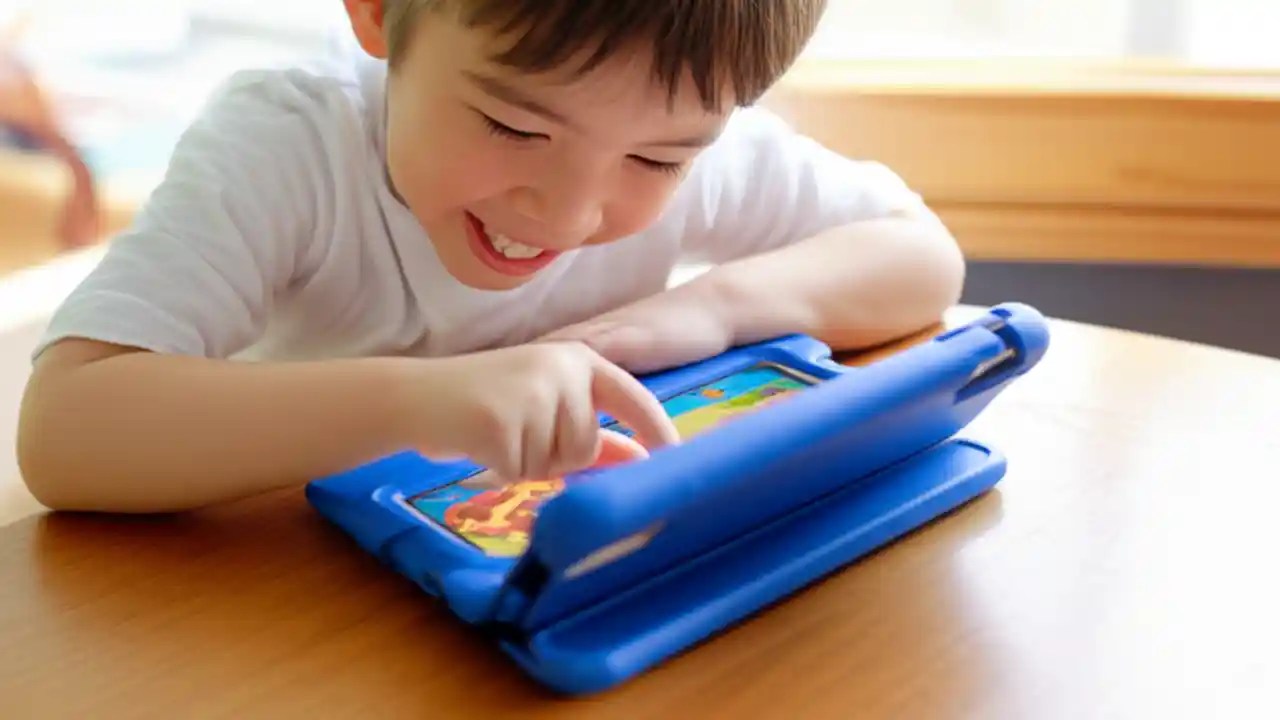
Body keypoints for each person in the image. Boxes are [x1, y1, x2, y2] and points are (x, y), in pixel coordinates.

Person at [17, 0, 964, 513]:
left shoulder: (667, 123)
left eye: (657, 159)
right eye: (513, 126)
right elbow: (65, 433)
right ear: (379, 12)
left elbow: (921, 258)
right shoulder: (286, 144)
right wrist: (423, 400)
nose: (572, 210)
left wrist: (702, 311)